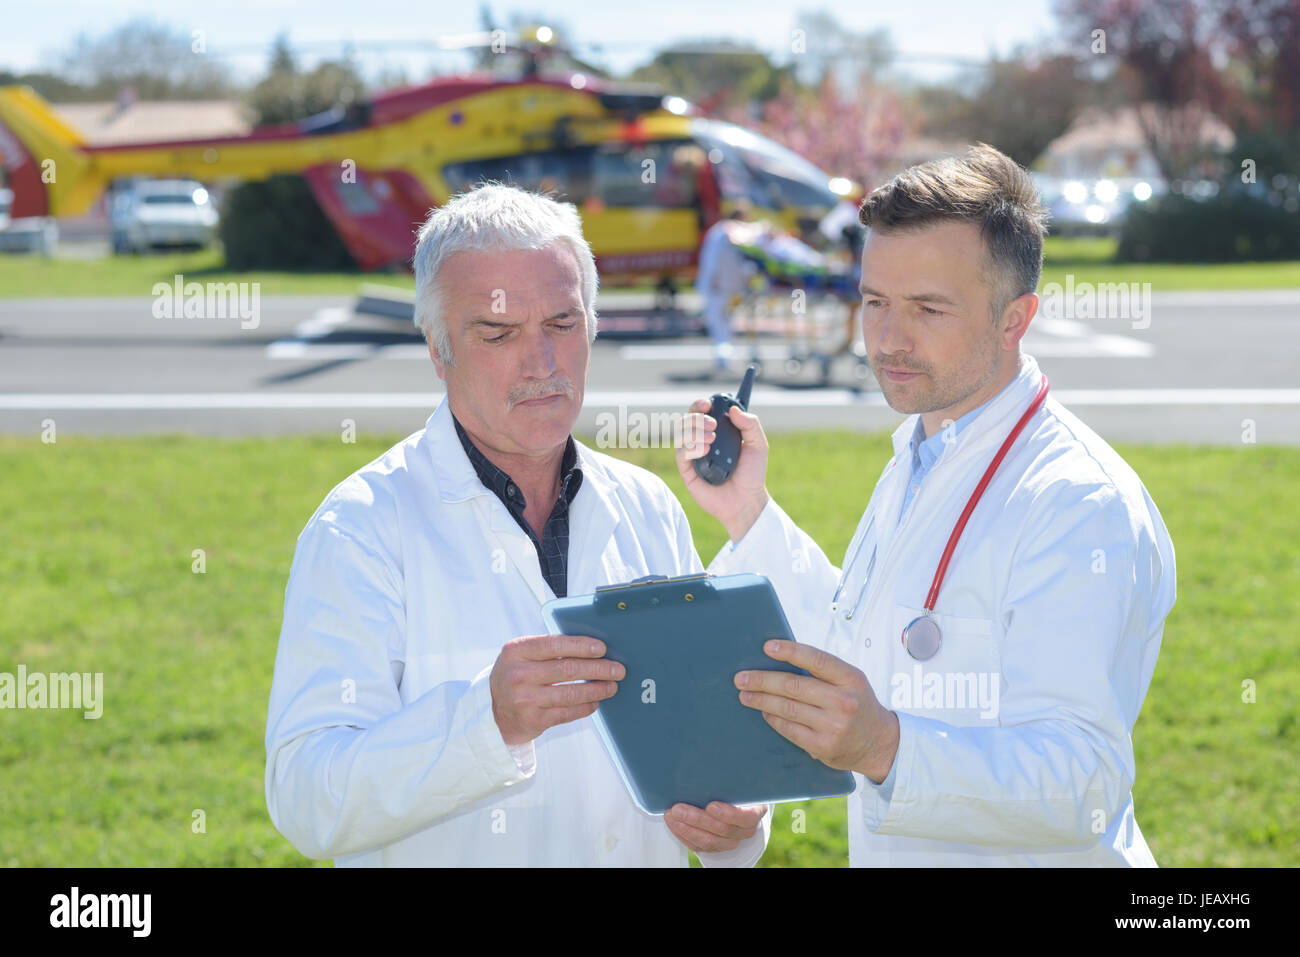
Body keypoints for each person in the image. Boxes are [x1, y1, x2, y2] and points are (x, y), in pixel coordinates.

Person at [676, 144, 1176, 866]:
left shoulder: (1077, 503)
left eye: (927, 308)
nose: (888, 338)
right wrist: (748, 514)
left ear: (1016, 319)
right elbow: (868, 648)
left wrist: (886, 746)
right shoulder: (925, 447)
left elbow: (1084, 782)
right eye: (874, 301)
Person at [265, 183, 769, 866]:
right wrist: (486, 723)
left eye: (562, 323)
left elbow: (703, 742)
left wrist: (736, 820)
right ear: (438, 351)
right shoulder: (360, 528)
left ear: (591, 326)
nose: (542, 364)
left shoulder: (648, 506)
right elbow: (305, 799)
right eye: (499, 332)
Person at [694, 203, 754, 373]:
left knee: (723, 320)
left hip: (726, 285)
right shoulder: (722, 233)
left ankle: (724, 354)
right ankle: (723, 355)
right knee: (719, 320)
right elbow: (713, 260)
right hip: (718, 284)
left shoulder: (730, 233)